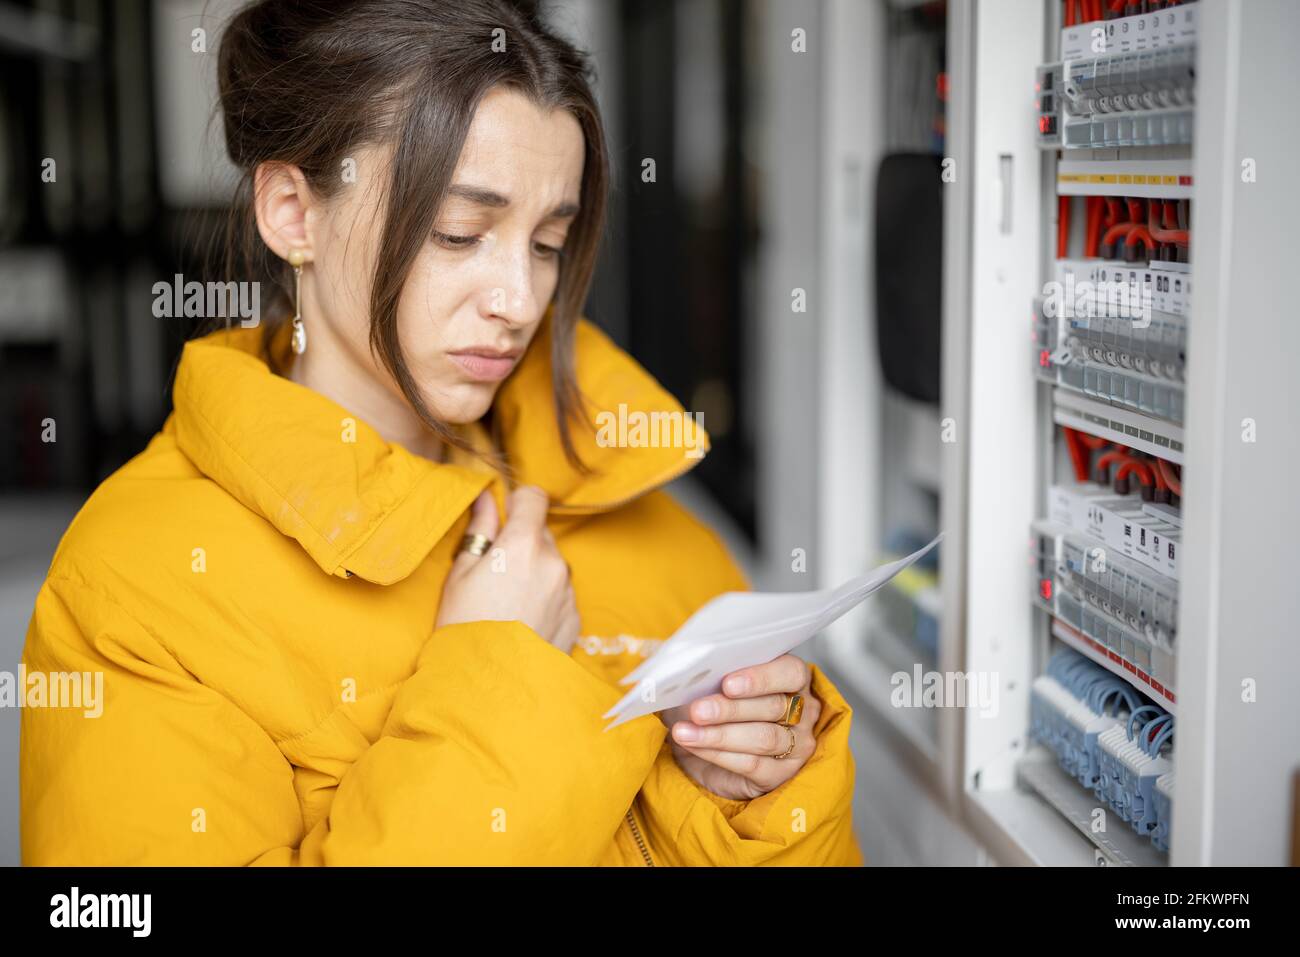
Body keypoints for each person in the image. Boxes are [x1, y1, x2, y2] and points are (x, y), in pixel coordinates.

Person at [20, 0, 862, 866]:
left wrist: (740, 804)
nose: (521, 300)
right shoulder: (135, 590)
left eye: (547, 242)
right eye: (459, 233)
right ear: (291, 212)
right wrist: (493, 680)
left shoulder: (648, 517)